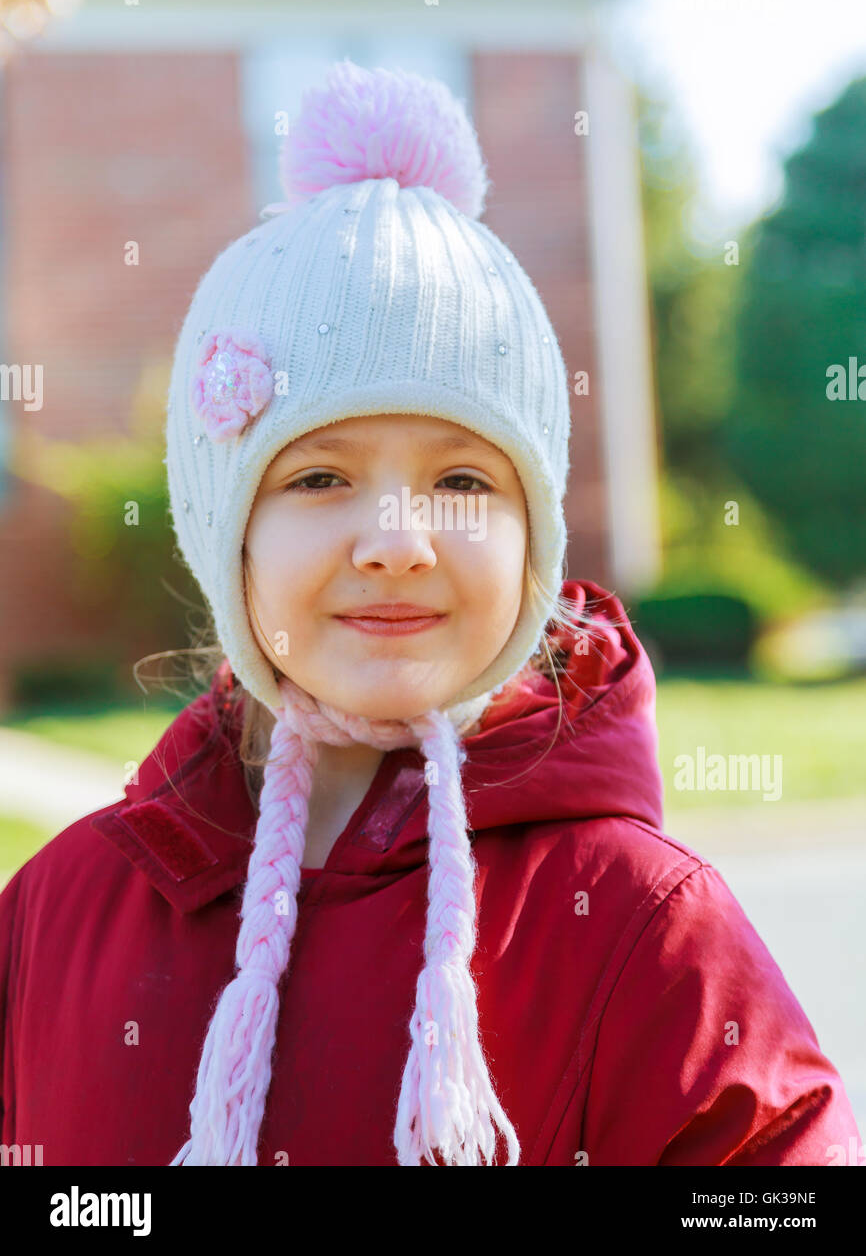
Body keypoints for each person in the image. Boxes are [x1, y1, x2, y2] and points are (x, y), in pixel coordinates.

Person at [0, 60, 860, 1167]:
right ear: (228, 534)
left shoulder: (643, 925)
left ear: (530, 539)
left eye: (461, 481)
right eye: (317, 478)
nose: (396, 537)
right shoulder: (58, 917)